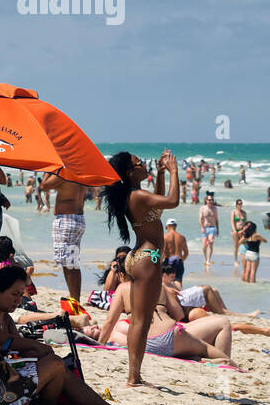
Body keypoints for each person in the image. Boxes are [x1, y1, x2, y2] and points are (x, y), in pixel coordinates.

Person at [0, 266, 131, 405]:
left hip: (5, 382)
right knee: (56, 365)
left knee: (56, 364)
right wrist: (37, 346)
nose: (18, 300)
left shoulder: (5, 318)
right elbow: (0, 340)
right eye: (14, 294)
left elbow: (17, 347)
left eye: (20, 295)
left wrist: (39, 351)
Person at [103, 150, 180, 386]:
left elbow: (158, 207)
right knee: (141, 321)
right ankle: (133, 378)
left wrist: (159, 173)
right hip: (147, 260)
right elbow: (172, 201)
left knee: (141, 320)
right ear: (130, 172)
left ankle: (134, 376)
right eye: (139, 163)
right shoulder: (136, 195)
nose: (143, 164)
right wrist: (173, 171)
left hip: (140, 258)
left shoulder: (136, 195)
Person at [97, 267, 233, 363]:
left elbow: (109, 322)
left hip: (146, 343)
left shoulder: (122, 289)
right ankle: (228, 366)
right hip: (170, 335)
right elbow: (179, 314)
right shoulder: (158, 285)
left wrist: (99, 345)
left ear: (123, 275)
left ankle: (196, 358)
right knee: (211, 345)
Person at [42, 172, 87, 301]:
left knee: (68, 262)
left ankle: (74, 299)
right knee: (73, 261)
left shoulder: (65, 172)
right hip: (78, 218)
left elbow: (44, 186)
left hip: (66, 219)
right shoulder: (81, 172)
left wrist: (48, 170)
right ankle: (75, 299)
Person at [199, 192, 219, 267]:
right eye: (209, 200)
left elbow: (216, 219)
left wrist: (217, 229)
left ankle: (208, 260)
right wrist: (201, 228)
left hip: (212, 228)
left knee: (210, 242)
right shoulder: (202, 208)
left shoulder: (214, 208)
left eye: (212, 200)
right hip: (205, 228)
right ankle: (205, 258)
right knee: (204, 245)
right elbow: (200, 219)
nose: (210, 201)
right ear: (206, 200)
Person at [231, 199, 248, 265]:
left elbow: (246, 223)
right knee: (236, 245)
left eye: (241, 203)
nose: (240, 205)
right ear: (236, 204)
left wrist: (246, 230)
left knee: (244, 244)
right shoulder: (234, 212)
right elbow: (232, 222)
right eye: (239, 204)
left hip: (242, 231)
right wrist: (234, 230)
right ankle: (235, 260)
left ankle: (244, 258)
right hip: (235, 230)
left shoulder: (244, 212)